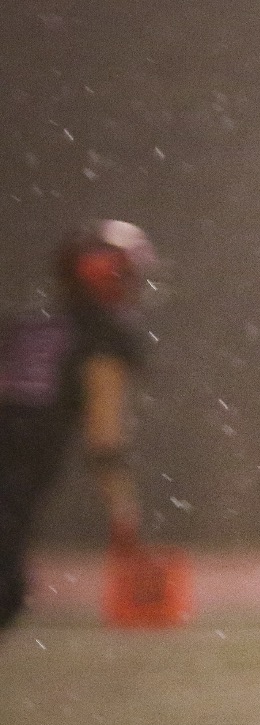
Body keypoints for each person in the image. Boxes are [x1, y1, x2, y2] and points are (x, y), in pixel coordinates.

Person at [0, 220, 153, 629]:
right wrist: (122, 509)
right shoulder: (104, 335)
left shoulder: (25, 326)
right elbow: (104, 437)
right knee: (7, 593)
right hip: (14, 483)